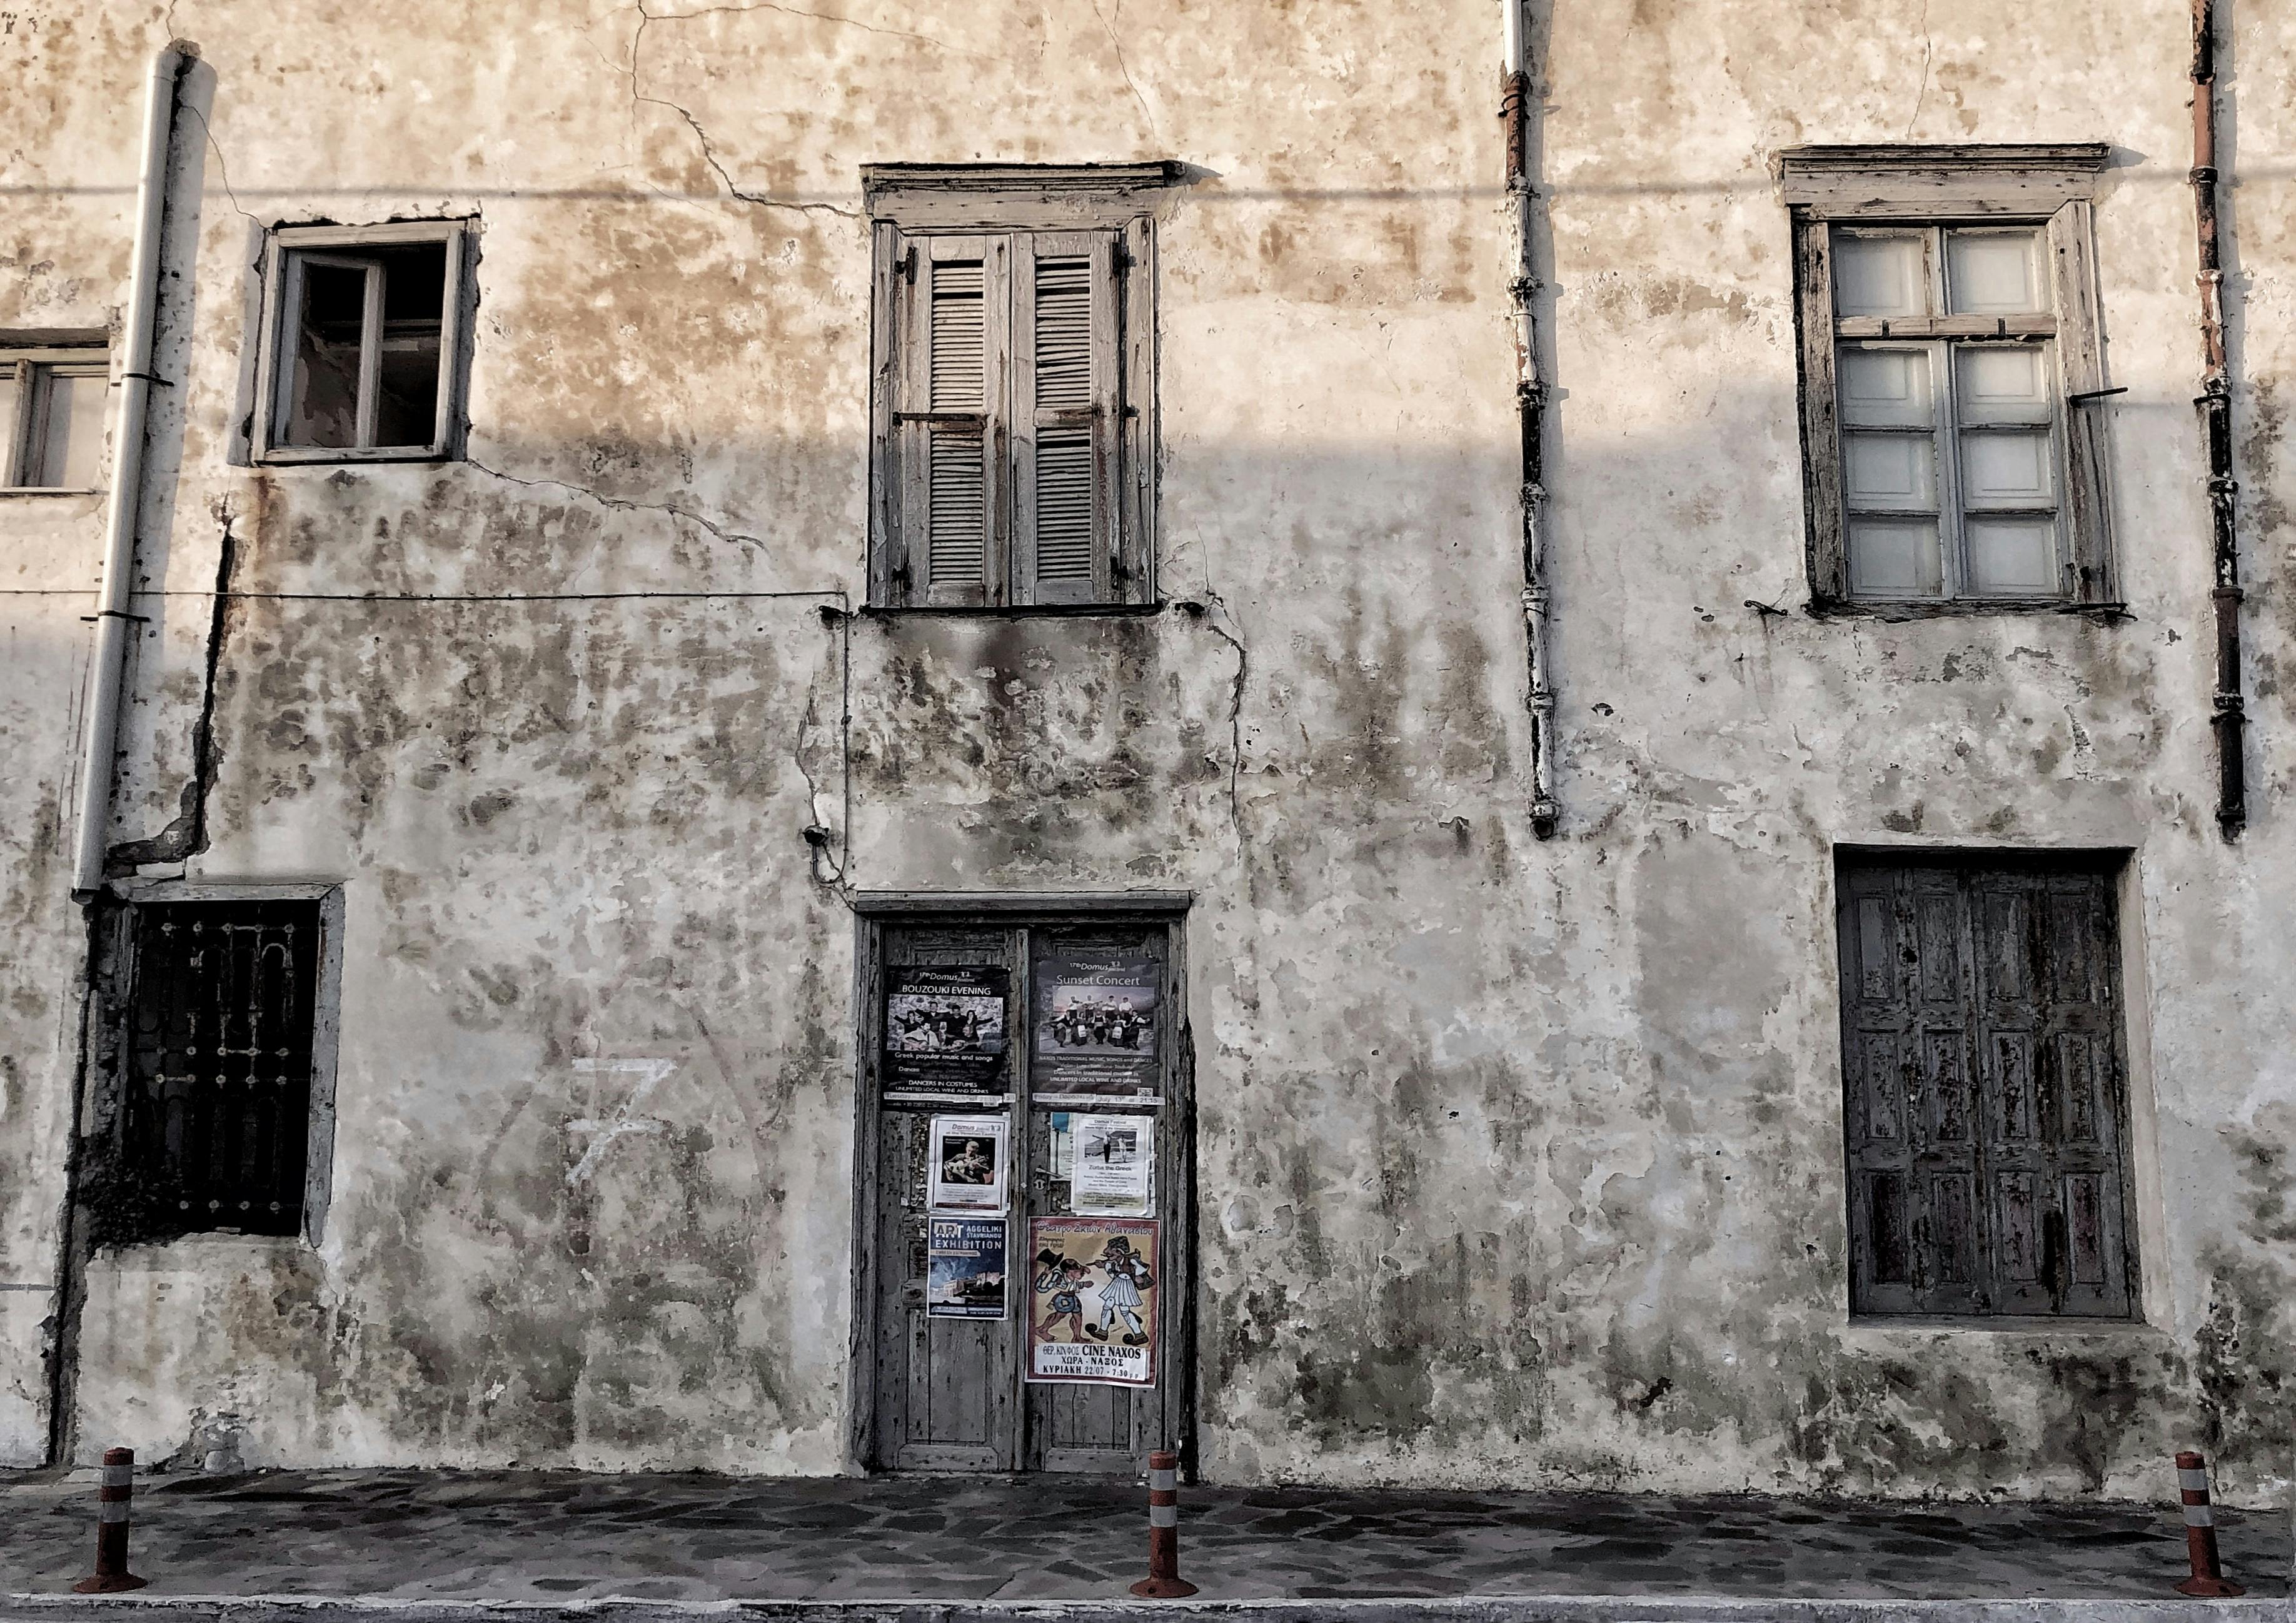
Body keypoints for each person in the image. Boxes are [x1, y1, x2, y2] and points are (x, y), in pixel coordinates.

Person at [1084, 1234, 1151, 1345]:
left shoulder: (1130, 1261)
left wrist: (1135, 1275)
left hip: (1124, 1286)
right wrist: (1104, 1265)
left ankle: (1139, 1334)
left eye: (1111, 1249)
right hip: (1118, 1284)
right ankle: (1104, 1332)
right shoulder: (1114, 1262)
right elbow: (1113, 1271)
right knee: (1110, 1306)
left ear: (1119, 1251)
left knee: (1122, 1310)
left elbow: (1142, 1269)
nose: (1107, 1252)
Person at [1032, 1250, 1087, 1342]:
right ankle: (1042, 1330)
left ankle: (1077, 1337)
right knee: (1059, 1316)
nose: (1081, 1273)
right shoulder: (1058, 1277)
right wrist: (1044, 1274)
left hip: (1073, 1298)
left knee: (1078, 1316)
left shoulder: (1072, 1278)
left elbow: (1073, 1285)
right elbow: (1042, 1289)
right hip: (1063, 1299)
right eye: (1076, 1270)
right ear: (1068, 1271)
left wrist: (1083, 1284)